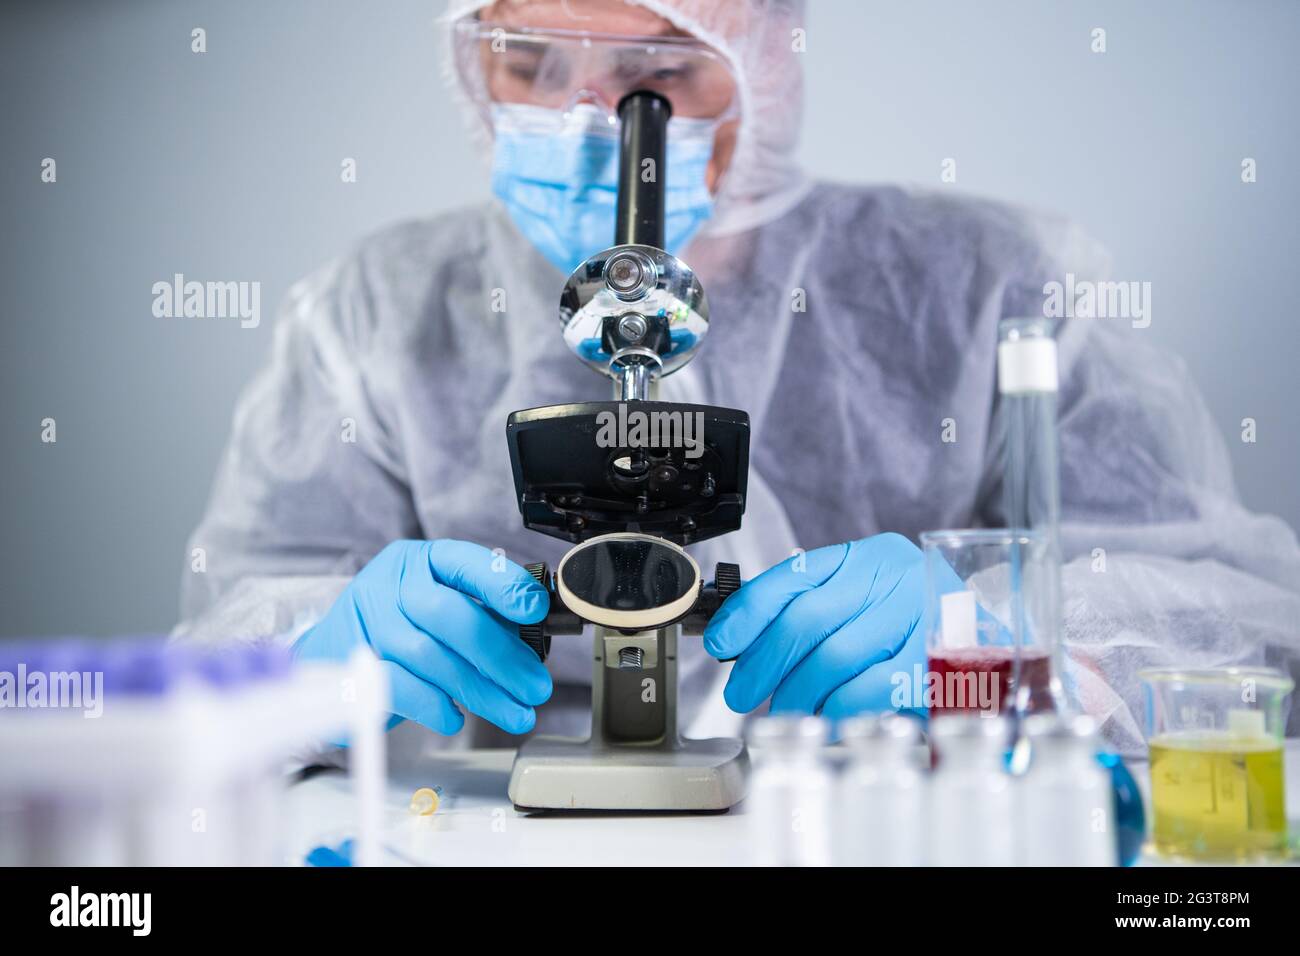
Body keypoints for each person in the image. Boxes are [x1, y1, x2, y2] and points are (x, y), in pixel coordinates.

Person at [175, 0, 1300, 759]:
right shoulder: (375, 310)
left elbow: (1243, 639)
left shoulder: (990, 286)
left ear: (760, 61)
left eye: (654, 73)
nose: (583, 122)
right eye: (527, 59)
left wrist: (999, 651)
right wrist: (309, 667)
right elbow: (222, 656)